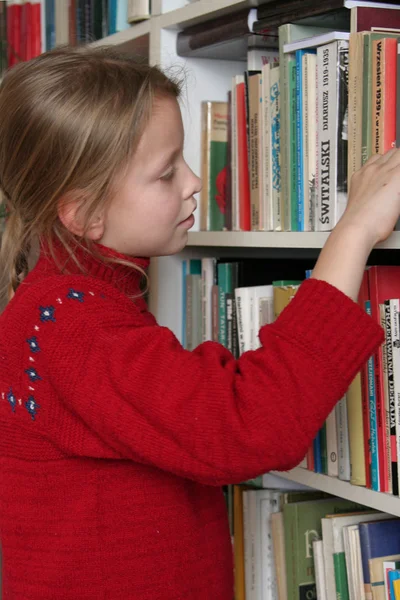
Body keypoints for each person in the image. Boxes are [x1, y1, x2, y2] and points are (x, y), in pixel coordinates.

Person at [0, 45, 395, 600]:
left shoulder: (70, 303)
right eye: (166, 173)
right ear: (84, 212)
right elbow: (251, 426)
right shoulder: (72, 324)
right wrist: (352, 232)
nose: (192, 181)